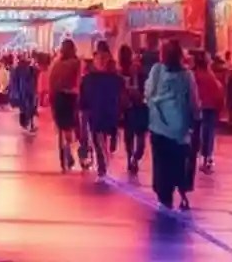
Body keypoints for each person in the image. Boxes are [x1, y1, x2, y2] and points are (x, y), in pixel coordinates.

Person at [145, 39, 200, 210]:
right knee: (178, 161)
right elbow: (193, 100)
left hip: (158, 125)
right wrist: (195, 118)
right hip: (180, 129)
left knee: (160, 163)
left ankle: (164, 197)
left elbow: (148, 93)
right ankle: (181, 190)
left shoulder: (156, 71)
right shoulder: (187, 75)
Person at [79, 46, 125, 179]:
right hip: (101, 113)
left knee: (100, 137)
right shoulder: (113, 79)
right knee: (99, 137)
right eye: (99, 59)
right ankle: (102, 165)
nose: (101, 62)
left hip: (103, 113)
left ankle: (103, 163)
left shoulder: (92, 79)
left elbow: (83, 99)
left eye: (103, 59)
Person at [49, 39, 83, 171]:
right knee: (76, 128)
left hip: (58, 98)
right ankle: (79, 154)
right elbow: (79, 81)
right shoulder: (76, 63)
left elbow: (51, 83)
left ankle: (65, 152)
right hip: (72, 97)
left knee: (62, 128)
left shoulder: (56, 64)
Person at [118, 45, 149, 175]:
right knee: (139, 136)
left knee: (129, 136)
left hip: (128, 107)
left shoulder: (119, 72)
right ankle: (134, 158)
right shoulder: (137, 69)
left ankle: (131, 158)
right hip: (140, 105)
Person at [192, 52, 224, 174]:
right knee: (208, 134)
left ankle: (202, 158)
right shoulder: (209, 75)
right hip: (209, 107)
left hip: (200, 107)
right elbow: (218, 91)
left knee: (199, 134)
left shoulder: (195, 75)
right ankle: (207, 158)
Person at [8, 54, 39, 133]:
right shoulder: (29, 69)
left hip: (23, 91)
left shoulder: (18, 69)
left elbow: (14, 80)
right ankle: (29, 124)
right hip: (28, 91)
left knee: (25, 108)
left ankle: (27, 124)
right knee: (29, 108)